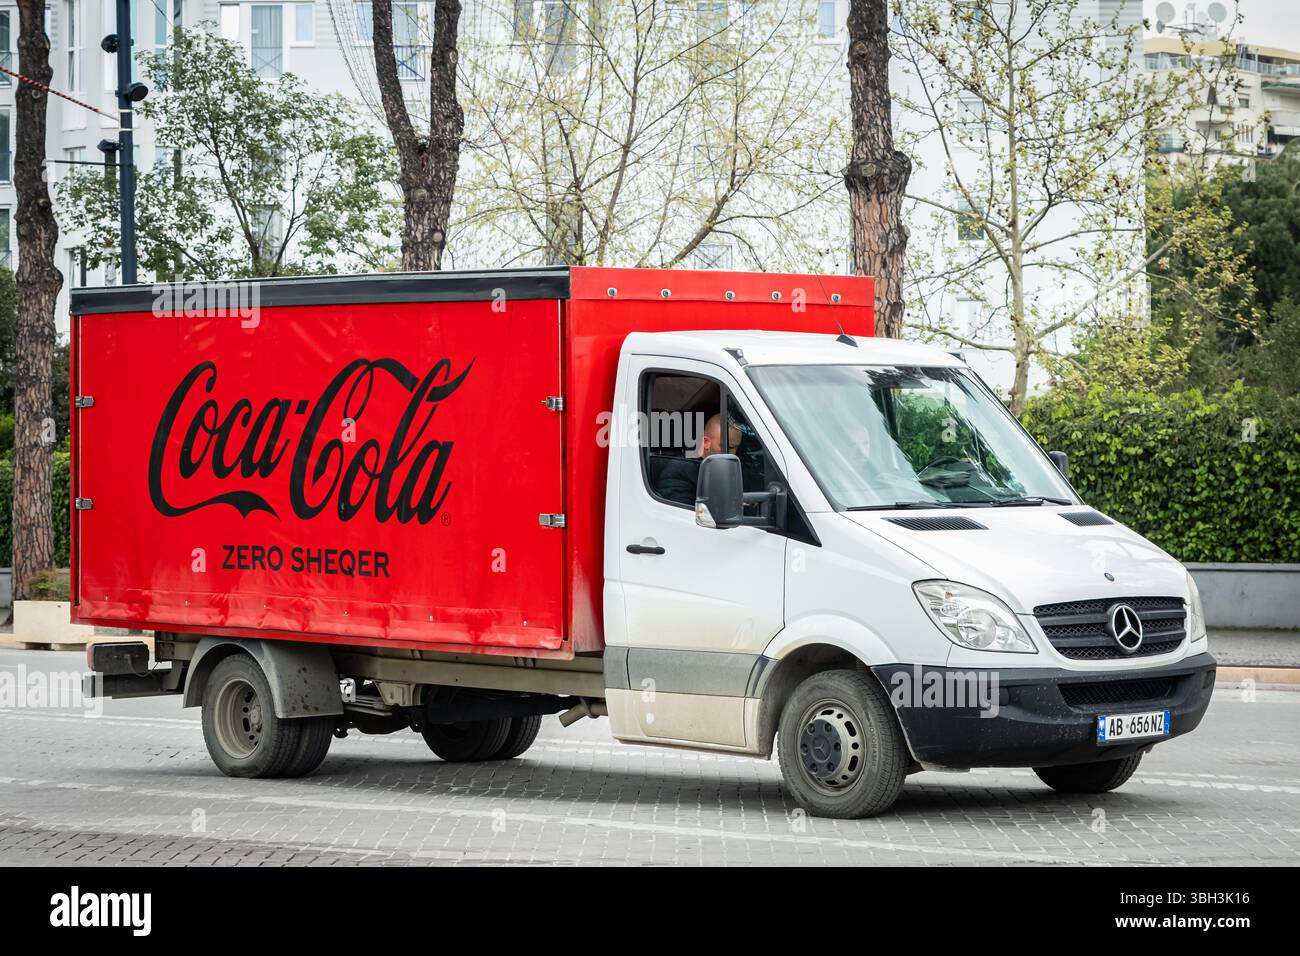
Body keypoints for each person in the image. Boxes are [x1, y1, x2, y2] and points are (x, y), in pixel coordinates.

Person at [657, 413, 741, 505]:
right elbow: (684, 514)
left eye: (737, 447)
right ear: (706, 442)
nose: (733, 454)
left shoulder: (731, 465)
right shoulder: (678, 472)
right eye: (728, 447)